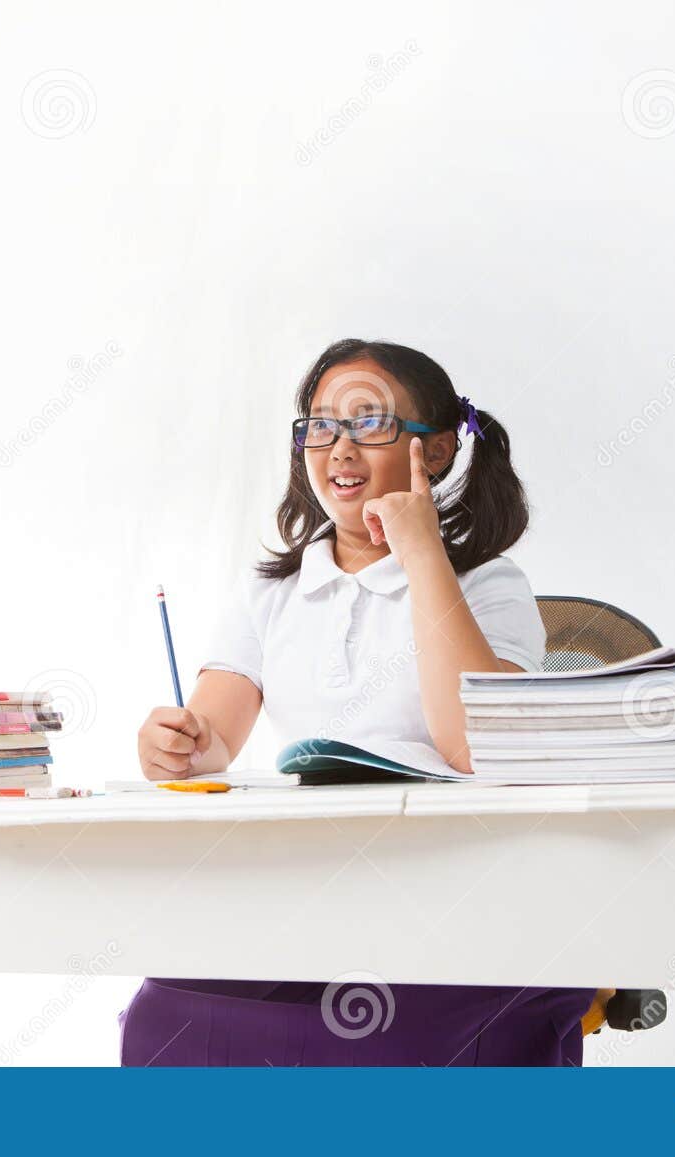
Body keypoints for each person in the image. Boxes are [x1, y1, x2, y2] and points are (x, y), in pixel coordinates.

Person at [121, 338, 595, 1066]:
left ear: (433, 452)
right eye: (319, 425)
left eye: (369, 422)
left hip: (469, 908)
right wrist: (178, 743)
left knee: (386, 1039)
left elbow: (473, 743)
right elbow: (213, 736)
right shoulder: (271, 593)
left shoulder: (488, 585)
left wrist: (424, 552)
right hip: (315, 904)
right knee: (163, 1014)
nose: (337, 447)